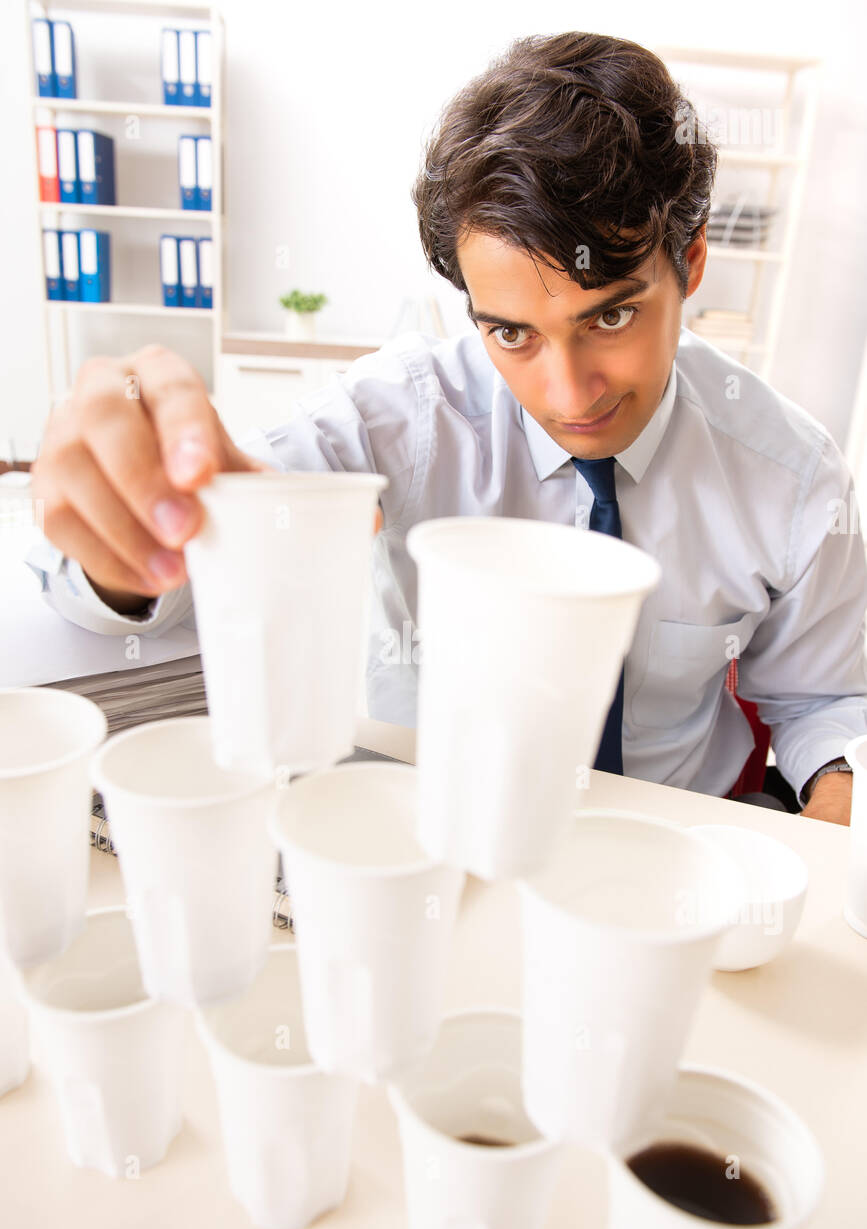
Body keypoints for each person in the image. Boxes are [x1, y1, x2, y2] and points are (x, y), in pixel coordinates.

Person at [27, 32, 867, 826]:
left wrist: (838, 794)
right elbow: (182, 567)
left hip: (673, 855)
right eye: (512, 333)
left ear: (688, 266)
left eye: (610, 318)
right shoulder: (395, 416)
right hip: (434, 835)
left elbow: (825, 700)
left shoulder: (789, 475)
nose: (568, 392)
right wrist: (132, 532)